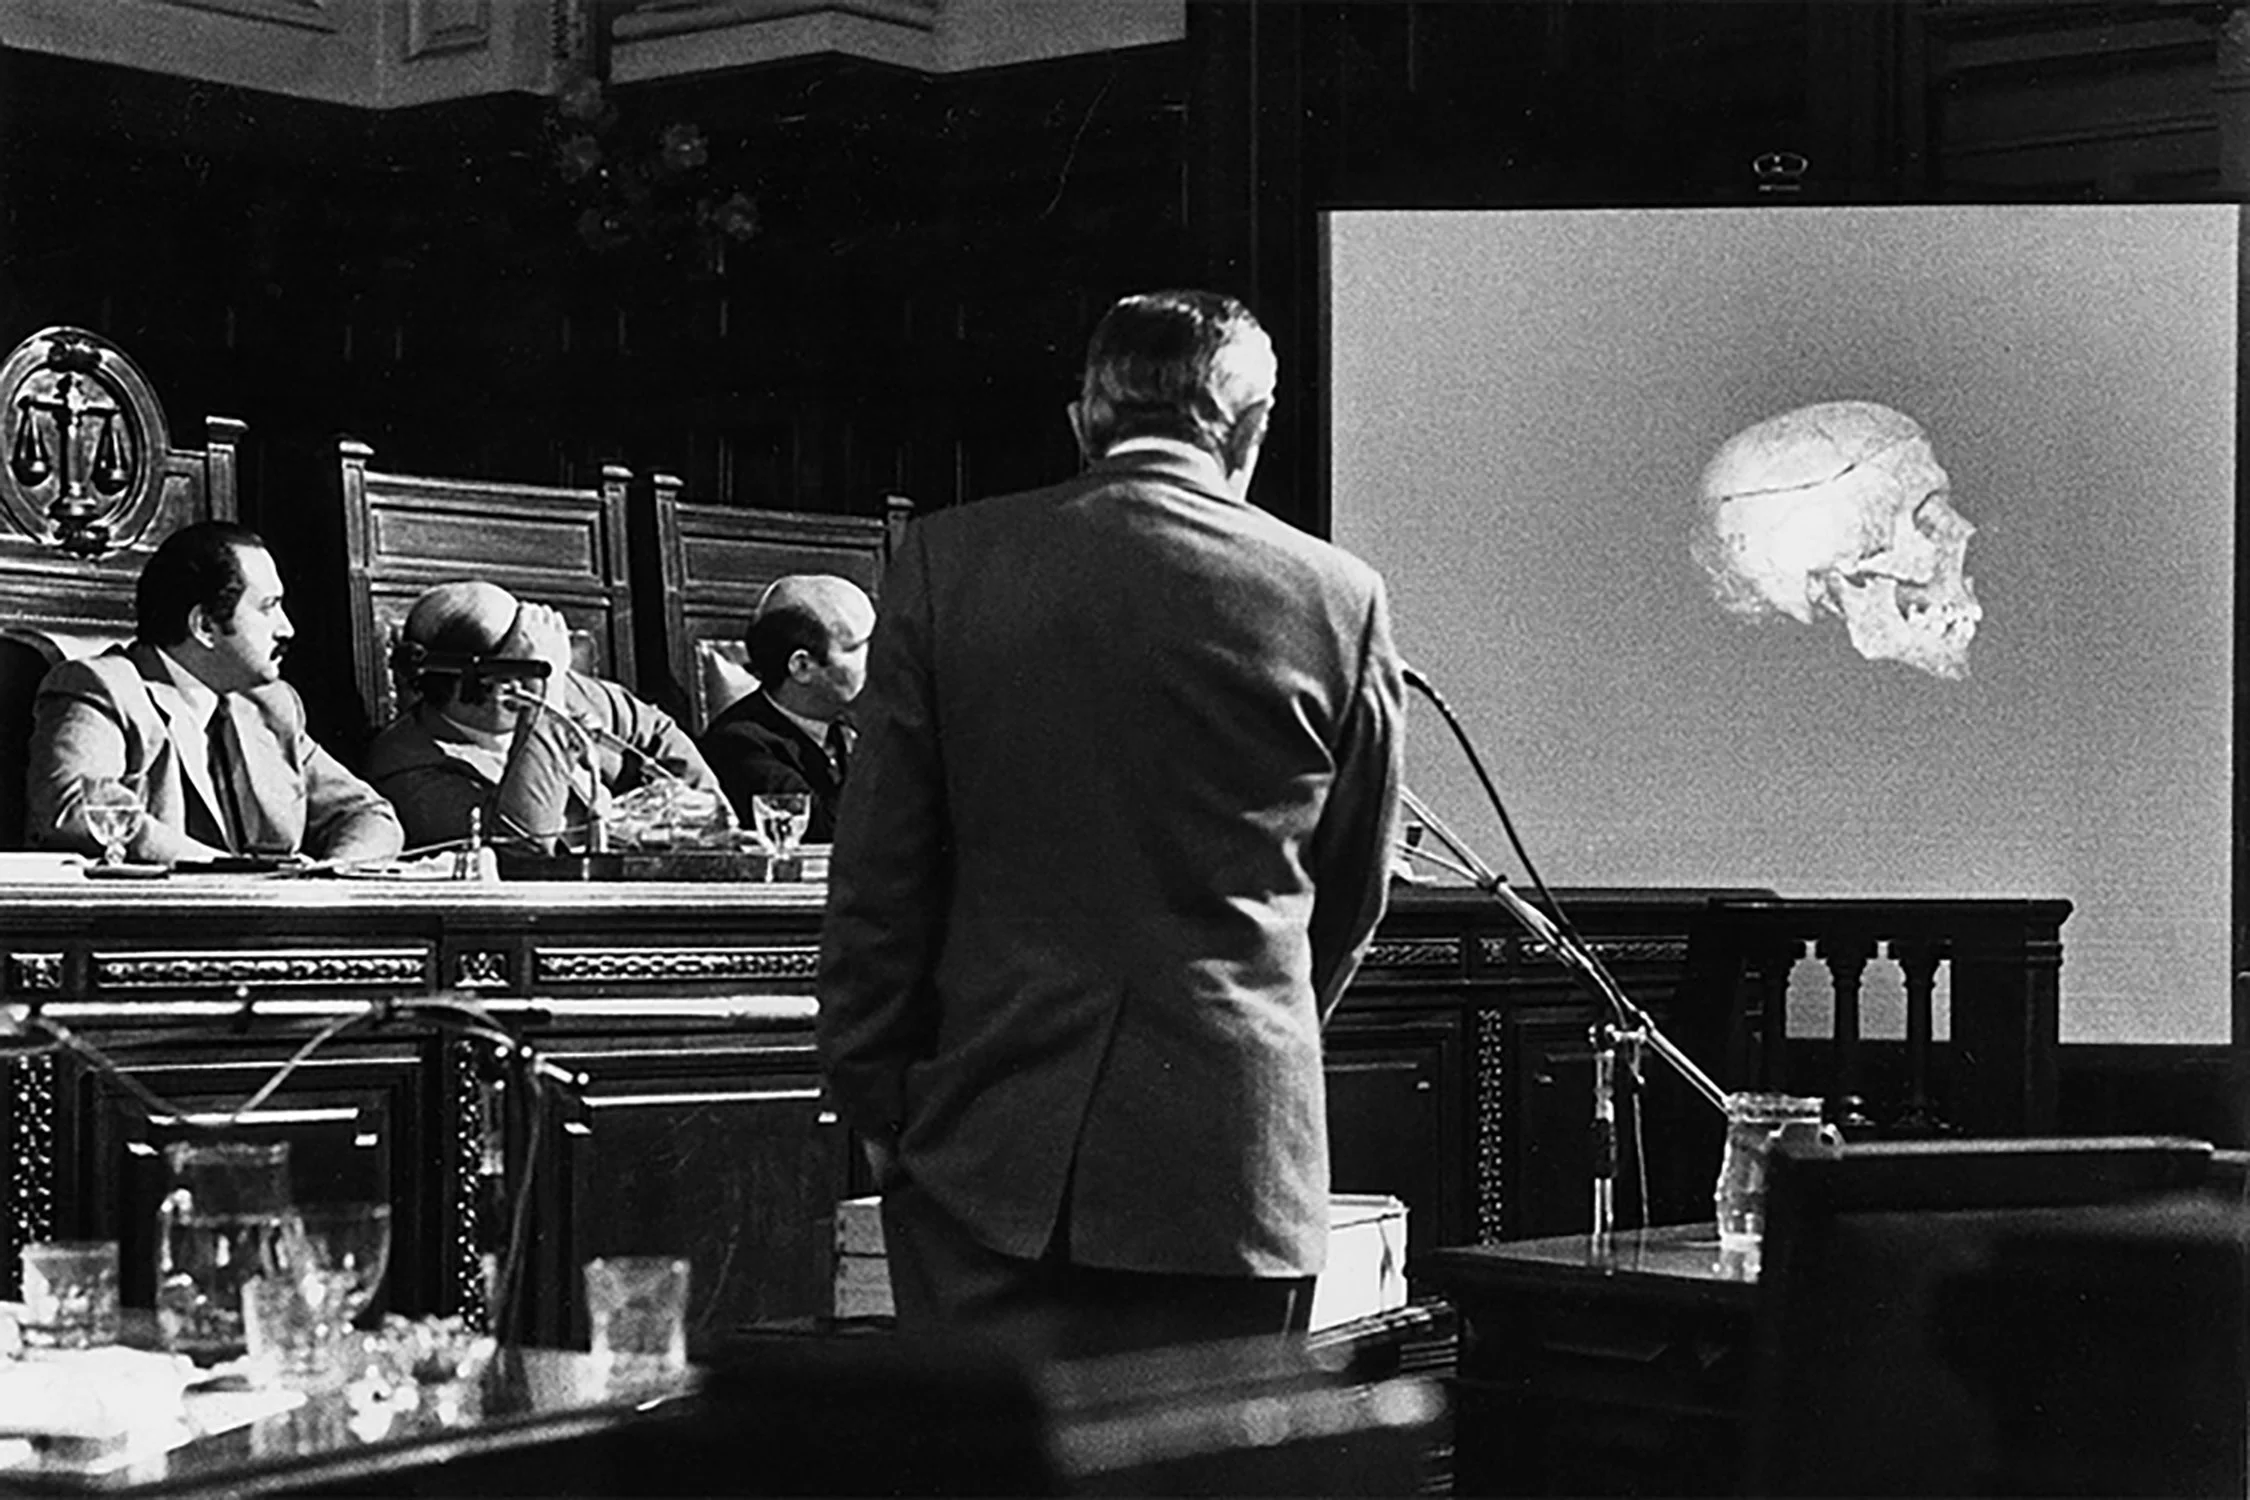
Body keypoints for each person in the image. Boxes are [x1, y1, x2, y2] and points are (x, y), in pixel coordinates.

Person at [818, 289, 1406, 1362]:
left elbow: (879, 874)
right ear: (1254, 428)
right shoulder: (1339, 597)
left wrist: (878, 1108)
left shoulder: (951, 563)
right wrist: (1245, 1037)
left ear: (1085, 420)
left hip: (986, 1150)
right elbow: (1352, 892)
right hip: (1233, 1158)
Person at [26, 520, 405, 866]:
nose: (286, 628)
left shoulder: (269, 704)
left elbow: (369, 814)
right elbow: (78, 808)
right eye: (268, 608)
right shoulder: (100, 687)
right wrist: (227, 871)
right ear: (205, 625)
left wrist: (331, 873)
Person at [364, 580, 721, 852]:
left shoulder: (575, 692)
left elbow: (658, 733)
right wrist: (543, 698)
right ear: (469, 683)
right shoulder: (404, 767)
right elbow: (524, 844)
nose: (560, 681)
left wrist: (701, 822)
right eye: (528, 659)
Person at [698, 574, 875, 843]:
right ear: (802, 667)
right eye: (860, 647)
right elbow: (831, 835)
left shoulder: (843, 726)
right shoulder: (739, 744)